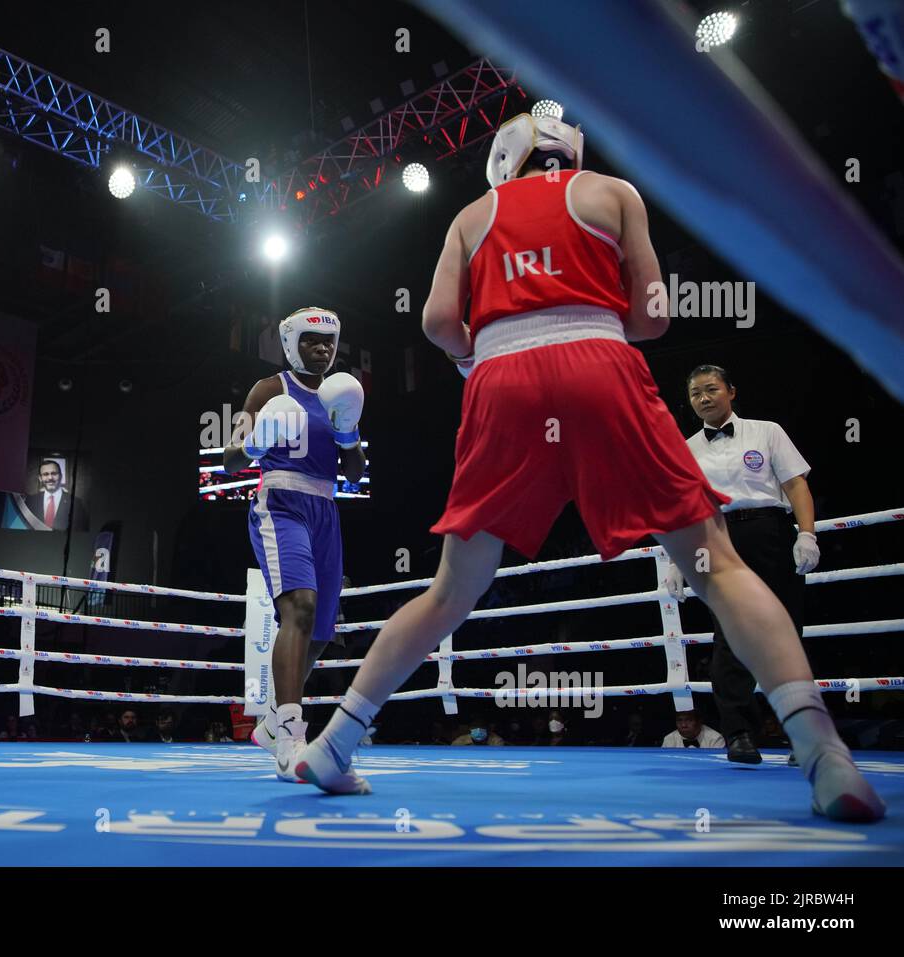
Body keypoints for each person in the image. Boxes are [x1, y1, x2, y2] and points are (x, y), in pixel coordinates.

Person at [296, 113, 884, 822]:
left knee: (453, 588)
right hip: (600, 362)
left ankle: (332, 745)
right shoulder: (614, 193)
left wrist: (479, 358)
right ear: (569, 153)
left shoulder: (470, 216)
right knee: (716, 565)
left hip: (501, 380)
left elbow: (436, 322)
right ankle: (826, 758)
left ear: (503, 160)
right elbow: (654, 318)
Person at [222, 307, 367, 780]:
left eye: (328, 343)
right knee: (299, 608)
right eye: (311, 341)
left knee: (322, 631)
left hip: (326, 510)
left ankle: (267, 724)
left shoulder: (336, 395)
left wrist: (349, 433)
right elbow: (228, 461)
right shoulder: (269, 390)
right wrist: (256, 444)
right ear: (291, 344)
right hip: (280, 502)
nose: (322, 349)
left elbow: (355, 474)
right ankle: (289, 734)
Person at [668, 364, 819, 766]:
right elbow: (684, 510)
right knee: (729, 637)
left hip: (769, 531)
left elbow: (795, 484)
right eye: (695, 393)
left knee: (787, 632)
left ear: (731, 391)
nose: (703, 397)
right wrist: (676, 561)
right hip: (718, 539)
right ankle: (739, 734)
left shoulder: (766, 431)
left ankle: (802, 735)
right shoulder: (686, 449)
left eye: (711, 389)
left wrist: (807, 534)